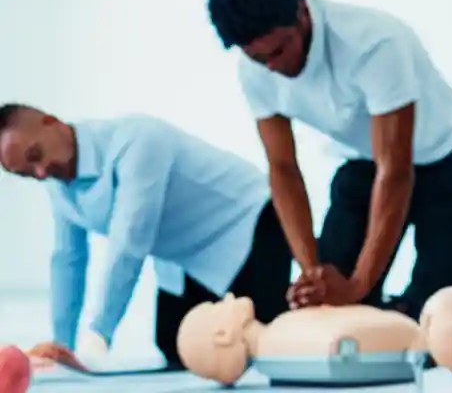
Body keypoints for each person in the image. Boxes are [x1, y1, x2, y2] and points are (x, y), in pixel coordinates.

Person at [205, 0, 452, 326]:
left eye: (279, 50)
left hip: (442, 160)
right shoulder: (255, 68)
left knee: (442, 325)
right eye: (259, 58)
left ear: (301, 13)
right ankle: (391, 306)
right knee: (327, 308)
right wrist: (312, 274)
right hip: (362, 164)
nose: (272, 67)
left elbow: (396, 170)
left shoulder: (374, 43)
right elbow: (283, 168)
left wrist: (357, 285)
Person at [0, 104, 292, 369]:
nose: (41, 172)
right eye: (28, 174)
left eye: (35, 156)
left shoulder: (138, 139)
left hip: (246, 223)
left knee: (266, 340)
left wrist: (99, 334)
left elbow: (130, 239)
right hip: (183, 257)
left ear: (52, 122)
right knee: (175, 347)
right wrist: (61, 345)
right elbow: (68, 260)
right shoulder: (55, 182)